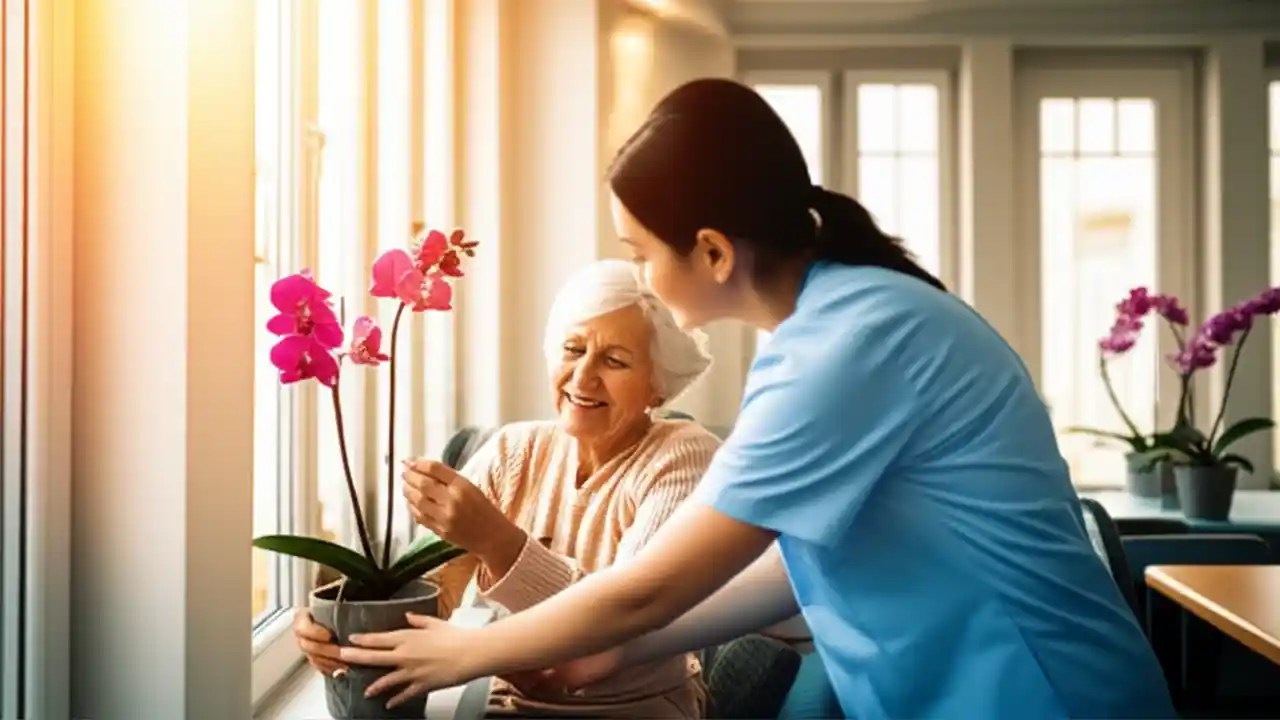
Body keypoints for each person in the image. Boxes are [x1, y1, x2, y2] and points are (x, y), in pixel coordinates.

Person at [339, 78, 1177, 719]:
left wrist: (462, 653)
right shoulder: (844, 320)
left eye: (640, 252)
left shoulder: (842, 348)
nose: (638, 275)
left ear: (710, 251)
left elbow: (647, 587)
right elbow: (787, 566)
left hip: (1040, 693)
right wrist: (615, 649)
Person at [296, 259, 721, 718]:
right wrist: (337, 626)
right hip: (506, 706)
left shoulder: (685, 456)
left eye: (614, 361)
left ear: (659, 385)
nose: (582, 377)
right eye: (573, 350)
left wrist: (497, 543)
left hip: (634, 708)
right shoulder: (514, 450)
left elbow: (626, 621)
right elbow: (430, 599)